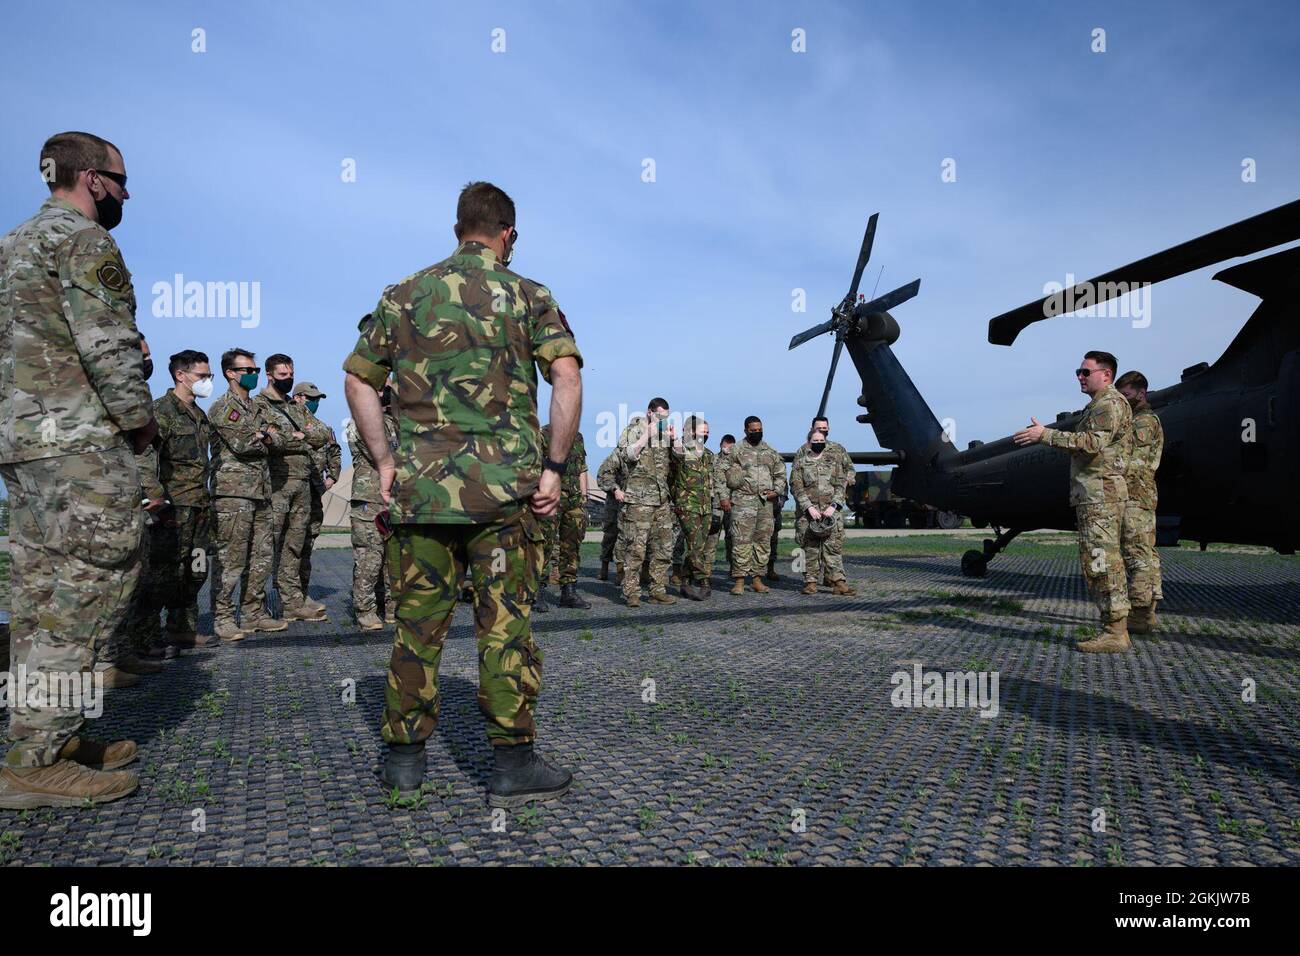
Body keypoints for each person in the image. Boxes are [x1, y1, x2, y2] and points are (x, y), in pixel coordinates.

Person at [344, 180, 583, 807]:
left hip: (422, 497)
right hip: (503, 501)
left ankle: (403, 765)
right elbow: (566, 377)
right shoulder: (530, 295)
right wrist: (554, 467)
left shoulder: (403, 295)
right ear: (508, 234)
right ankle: (511, 764)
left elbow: (358, 379)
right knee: (504, 626)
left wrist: (385, 462)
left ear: (459, 229)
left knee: (417, 627)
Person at [0, 130, 156, 808]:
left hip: (25, 444)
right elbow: (108, 344)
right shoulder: (84, 242)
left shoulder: (11, 245)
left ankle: (40, 738)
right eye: (121, 182)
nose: (125, 195)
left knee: (38, 597)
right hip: (79, 445)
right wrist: (138, 420)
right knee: (87, 589)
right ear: (91, 179)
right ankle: (36, 758)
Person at [1014, 350, 1133, 652]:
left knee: (1103, 563)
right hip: (1096, 496)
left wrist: (1046, 435)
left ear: (1106, 375)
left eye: (1085, 372)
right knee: (1102, 560)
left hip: (1100, 497)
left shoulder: (1108, 404)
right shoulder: (1101, 405)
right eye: (1078, 373)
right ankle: (1115, 627)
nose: (1080, 377)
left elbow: (1091, 444)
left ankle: (1115, 632)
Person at [208, 348, 288, 640]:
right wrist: (263, 435)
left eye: (256, 371)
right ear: (230, 373)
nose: (253, 375)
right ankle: (224, 617)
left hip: (261, 491)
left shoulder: (257, 407)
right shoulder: (221, 407)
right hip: (233, 495)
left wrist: (264, 435)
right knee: (231, 560)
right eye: (248, 371)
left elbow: (281, 439)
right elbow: (243, 444)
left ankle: (254, 612)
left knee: (261, 557)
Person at [147, 349, 215, 650]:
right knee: (164, 573)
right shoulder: (161, 412)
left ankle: (182, 630)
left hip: (199, 507)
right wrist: (156, 498)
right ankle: (146, 637)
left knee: (196, 570)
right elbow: (146, 457)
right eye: (202, 376)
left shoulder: (200, 415)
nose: (207, 382)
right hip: (173, 509)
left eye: (209, 376)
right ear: (180, 375)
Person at [255, 354, 328, 622]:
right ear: (270, 375)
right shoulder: (259, 405)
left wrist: (299, 435)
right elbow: (269, 441)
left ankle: (292, 603)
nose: (288, 379)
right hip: (276, 485)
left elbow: (322, 435)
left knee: (293, 547)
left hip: (302, 486)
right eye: (283, 375)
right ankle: (255, 608)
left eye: (291, 374)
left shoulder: (296, 407)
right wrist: (294, 438)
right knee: (265, 548)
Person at [346, 380, 398, 630]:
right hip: (370, 498)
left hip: (394, 498)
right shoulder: (360, 421)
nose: (386, 390)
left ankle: (391, 607)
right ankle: (365, 609)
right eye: (381, 386)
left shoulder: (393, 421)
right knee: (370, 558)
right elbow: (380, 454)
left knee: (394, 558)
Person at [1115, 370, 1164, 633]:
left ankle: (1140, 612)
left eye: (1127, 395)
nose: (1123, 400)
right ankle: (1148, 612)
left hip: (1135, 494)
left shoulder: (1143, 422)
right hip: (1141, 494)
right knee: (1147, 552)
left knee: (1136, 554)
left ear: (1141, 393)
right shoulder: (1139, 420)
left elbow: (1134, 463)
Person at [616, 398, 677, 607]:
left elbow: (681, 458)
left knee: (663, 548)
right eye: (660, 416)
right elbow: (626, 456)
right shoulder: (633, 430)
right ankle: (632, 592)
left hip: (661, 499)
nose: (662, 420)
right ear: (649, 413)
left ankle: (657, 590)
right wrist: (646, 436)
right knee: (636, 549)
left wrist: (674, 439)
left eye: (666, 417)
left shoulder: (664, 434)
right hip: (639, 500)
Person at [791, 425, 855, 595]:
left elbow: (841, 485)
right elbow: (796, 488)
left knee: (832, 548)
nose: (818, 443)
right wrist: (808, 507)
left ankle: (838, 582)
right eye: (815, 441)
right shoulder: (800, 464)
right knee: (809, 549)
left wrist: (834, 506)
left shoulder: (833, 462)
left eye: (821, 441)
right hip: (808, 514)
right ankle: (810, 582)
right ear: (809, 442)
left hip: (830, 514)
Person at [292, 382, 341, 604]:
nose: (316, 402)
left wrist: (332, 478)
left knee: (307, 545)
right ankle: (286, 595)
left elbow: (335, 452)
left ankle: (302, 593)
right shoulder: (288, 423)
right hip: (290, 496)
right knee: (287, 546)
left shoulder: (323, 429)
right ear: (299, 398)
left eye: (318, 399)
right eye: (312, 398)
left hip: (313, 495)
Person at [726, 416, 785, 595]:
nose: (757, 433)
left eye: (759, 429)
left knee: (763, 542)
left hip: (765, 503)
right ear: (746, 430)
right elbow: (722, 474)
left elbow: (781, 474)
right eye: (753, 430)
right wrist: (724, 498)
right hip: (743, 501)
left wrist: (777, 490)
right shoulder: (736, 450)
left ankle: (757, 579)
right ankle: (739, 581)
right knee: (740, 541)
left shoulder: (771, 451)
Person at [539, 423, 591, 610]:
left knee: (572, 548)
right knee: (545, 545)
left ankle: (568, 592)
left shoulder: (578, 436)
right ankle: (537, 592)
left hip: (574, 501)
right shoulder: (543, 434)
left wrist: (584, 497)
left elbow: (582, 469)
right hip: (551, 498)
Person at [669, 415, 715, 599]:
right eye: (703, 431)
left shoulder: (709, 455)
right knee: (695, 545)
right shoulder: (682, 450)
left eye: (708, 431)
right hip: (687, 505)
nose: (706, 434)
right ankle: (704, 581)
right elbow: (675, 456)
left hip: (706, 507)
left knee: (699, 547)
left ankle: (685, 581)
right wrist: (673, 439)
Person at [595, 448, 625, 582]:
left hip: (635, 503)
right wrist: (615, 488)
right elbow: (603, 475)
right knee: (610, 536)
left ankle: (623, 572)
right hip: (615, 502)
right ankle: (604, 568)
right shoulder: (617, 454)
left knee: (628, 538)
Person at [712, 434, 737, 579]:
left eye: (731, 445)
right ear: (721, 444)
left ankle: (734, 569)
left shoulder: (736, 462)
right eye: (725, 444)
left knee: (732, 538)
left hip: (732, 506)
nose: (727, 447)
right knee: (711, 539)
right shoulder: (713, 460)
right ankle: (706, 570)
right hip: (715, 505)